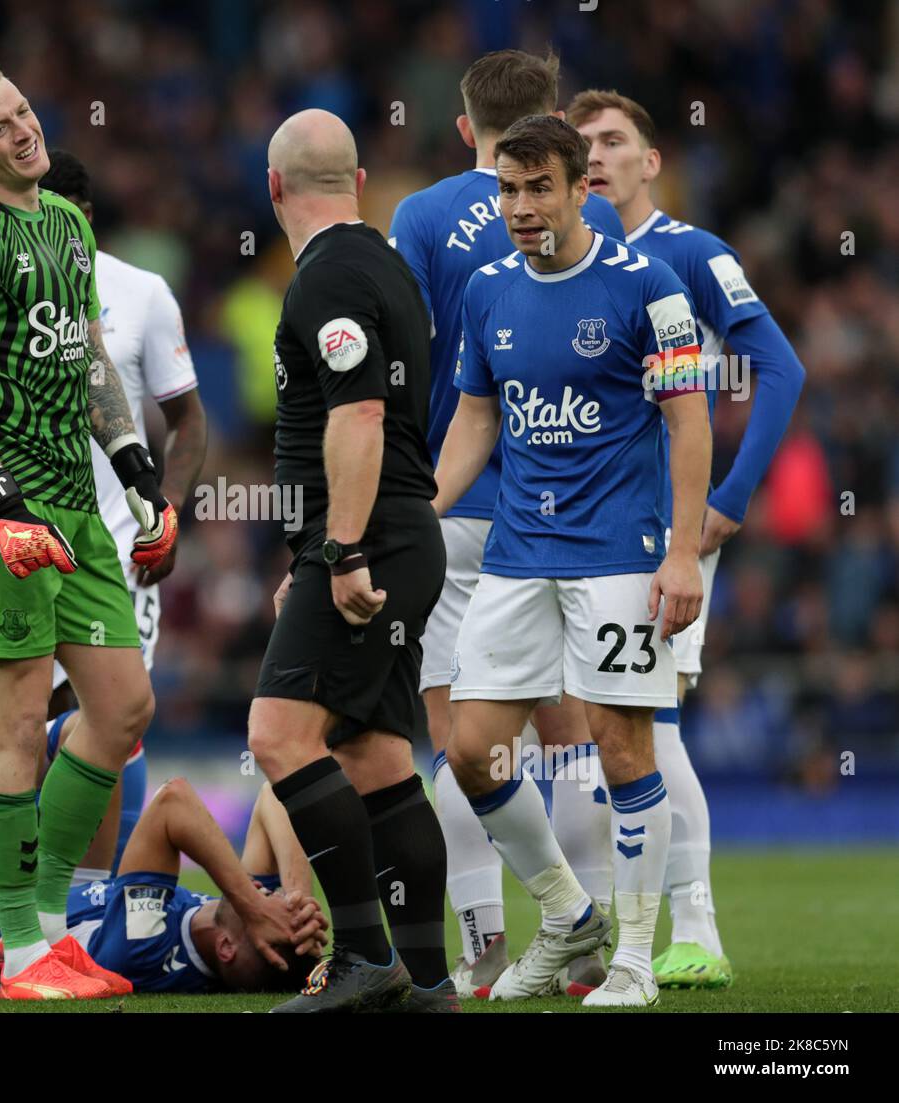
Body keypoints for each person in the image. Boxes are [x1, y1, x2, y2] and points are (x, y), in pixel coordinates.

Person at [0, 62, 293, 1001]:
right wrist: (1, 507)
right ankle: (23, 948)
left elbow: (87, 360)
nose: (24, 131)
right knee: (16, 720)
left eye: (26, 112)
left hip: (77, 501)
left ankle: (47, 928)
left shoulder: (69, 224)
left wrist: (138, 476)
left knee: (123, 708)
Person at [434, 114, 711, 1008]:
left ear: (580, 188)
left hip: (620, 553)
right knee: (473, 750)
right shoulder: (486, 289)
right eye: (508, 189)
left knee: (625, 747)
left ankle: (635, 957)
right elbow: (477, 416)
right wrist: (422, 509)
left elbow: (689, 421)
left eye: (537, 187)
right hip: (519, 552)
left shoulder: (651, 284)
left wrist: (681, 554)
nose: (519, 206)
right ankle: (566, 913)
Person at [389, 48, 625, 999]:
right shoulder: (589, 210)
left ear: (461, 127)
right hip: (563, 504)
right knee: (576, 731)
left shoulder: (420, 215)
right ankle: (599, 942)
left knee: (459, 736)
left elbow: (400, 357)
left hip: (450, 499)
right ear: (556, 120)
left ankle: (486, 938)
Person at [0, 149, 208, 871]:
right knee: (25, 717)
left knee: (115, 713)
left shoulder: (141, 294)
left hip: (111, 541)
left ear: (82, 220)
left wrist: (163, 506)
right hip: (17, 522)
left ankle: (75, 893)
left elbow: (188, 419)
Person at [568, 89, 806, 990]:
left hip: (663, 530)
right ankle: (597, 928)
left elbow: (781, 368)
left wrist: (731, 499)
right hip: (576, 530)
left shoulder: (691, 254)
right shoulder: (563, 260)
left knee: (647, 717)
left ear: (651, 160)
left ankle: (695, 927)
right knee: (595, 726)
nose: (595, 153)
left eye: (614, 140)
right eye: (582, 140)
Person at [246, 109, 453, 1013]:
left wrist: (340, 548)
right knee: (374, 757)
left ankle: (366, 960)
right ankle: (429, 980)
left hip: (369, 539)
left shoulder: (324, 276)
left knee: (278, 736)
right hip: (403, 532)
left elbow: (360, 416)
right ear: (359, 183)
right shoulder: (390, 267)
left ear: (275, 188)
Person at [0, 714, 324, 995]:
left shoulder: (145, 942)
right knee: (109, 733)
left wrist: (251, 903)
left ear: (226, 949)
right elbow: (275, 793)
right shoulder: (238, 920)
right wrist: (296, 895)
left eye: (268, 910)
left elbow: (173, 801)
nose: (267, 901)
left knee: (1, 737)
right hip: (66, 906)